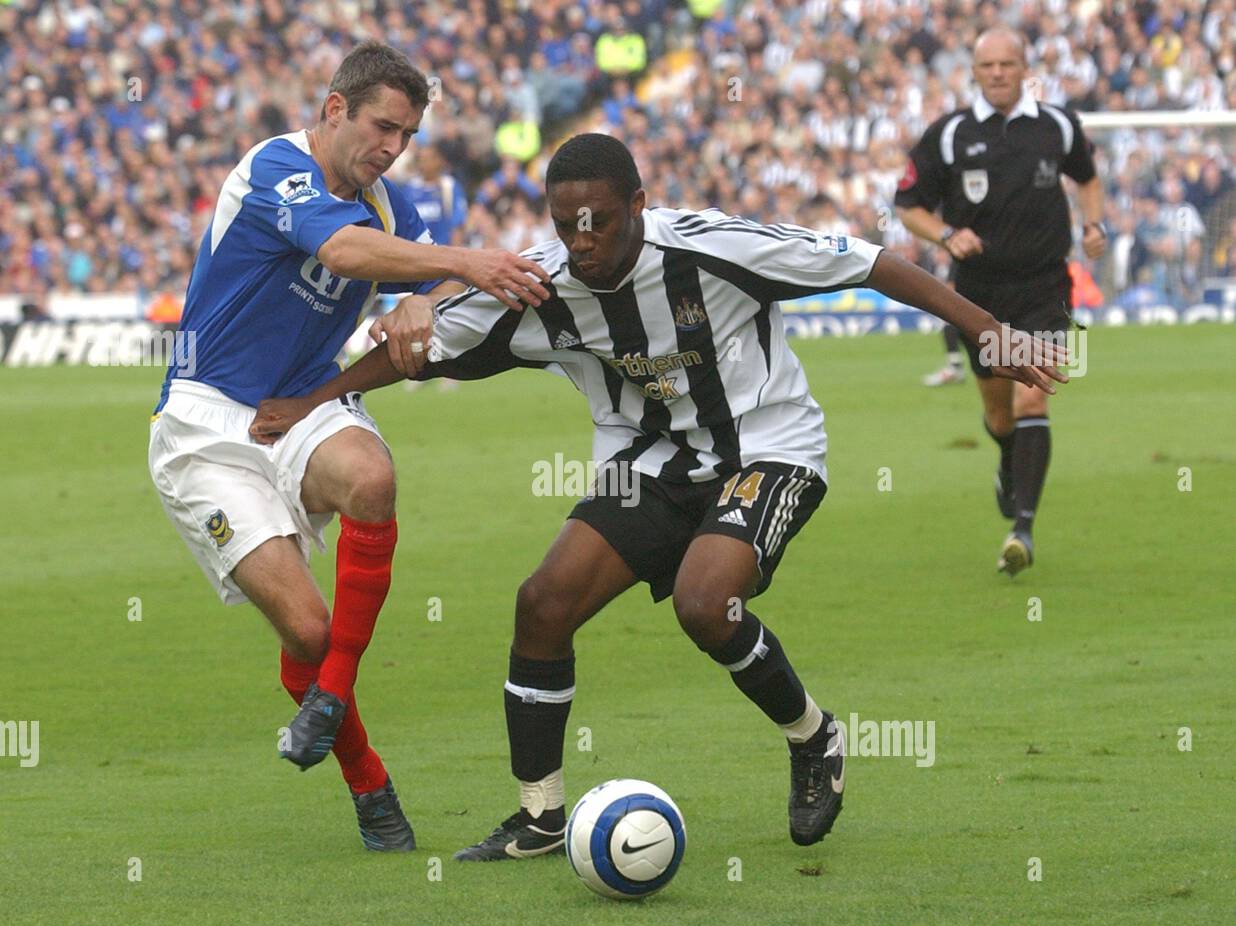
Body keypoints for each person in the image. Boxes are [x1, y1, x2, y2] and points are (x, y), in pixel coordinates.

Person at [248, 133, 1064, 859]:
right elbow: (420, 349)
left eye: (599, 218)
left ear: (639, 204)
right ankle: (538, 816)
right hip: (649, 463)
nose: (583, 239)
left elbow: (867, 260)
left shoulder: (711, 247)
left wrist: (987, 327)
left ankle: (813, 737)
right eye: (566, 222)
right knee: (542, 602)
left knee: (707, 602)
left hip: (767, 450)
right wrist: (318, 399)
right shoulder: (544, 281)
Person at [147, 42, 549, 853]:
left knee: (373, 475)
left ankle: (328, 697)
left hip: (302, 405)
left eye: (405, 136)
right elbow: (344, 253)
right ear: (335, 109)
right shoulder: (274, 169)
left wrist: (426, 301)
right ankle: (369, 781)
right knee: (306, 630)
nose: (392, 148)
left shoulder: (391, 206)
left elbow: (434, 279)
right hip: (205, 423)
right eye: (381, 128)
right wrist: (459, 263)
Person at [895, 26, 1105, 575]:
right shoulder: (948, 135)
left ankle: (1023, 531)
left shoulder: (1057, 125)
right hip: (978, 296)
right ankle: (1009, 460)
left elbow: (1087, 177)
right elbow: (907, 205)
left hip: (1046, 286)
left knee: (1034, 398)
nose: (997, 74)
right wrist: (944, 234)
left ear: (1023, 66)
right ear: (974, 71)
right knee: (999, 411)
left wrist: (1094, 223)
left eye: (1007, 64)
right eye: (988, 66)